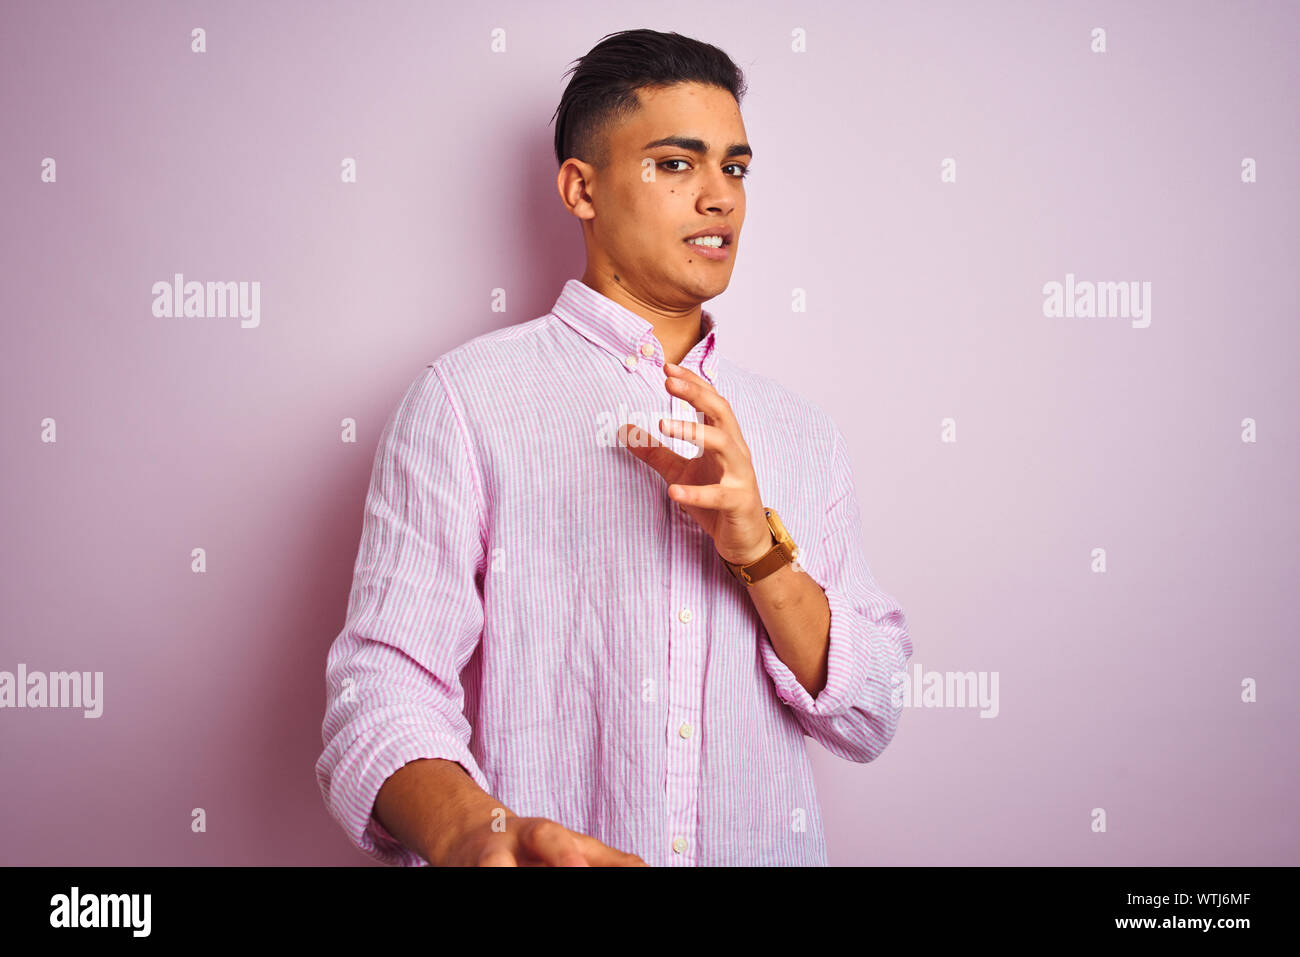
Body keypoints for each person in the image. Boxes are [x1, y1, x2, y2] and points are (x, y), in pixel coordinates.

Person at [316, 28, 912, 867]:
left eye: (734, 169)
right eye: (677, 163)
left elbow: (873, 709)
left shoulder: (799, 432)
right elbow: (377, 694)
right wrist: (474, 834)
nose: (720, 199)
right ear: (581, 189)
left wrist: (760, 553)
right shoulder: (465, 401)